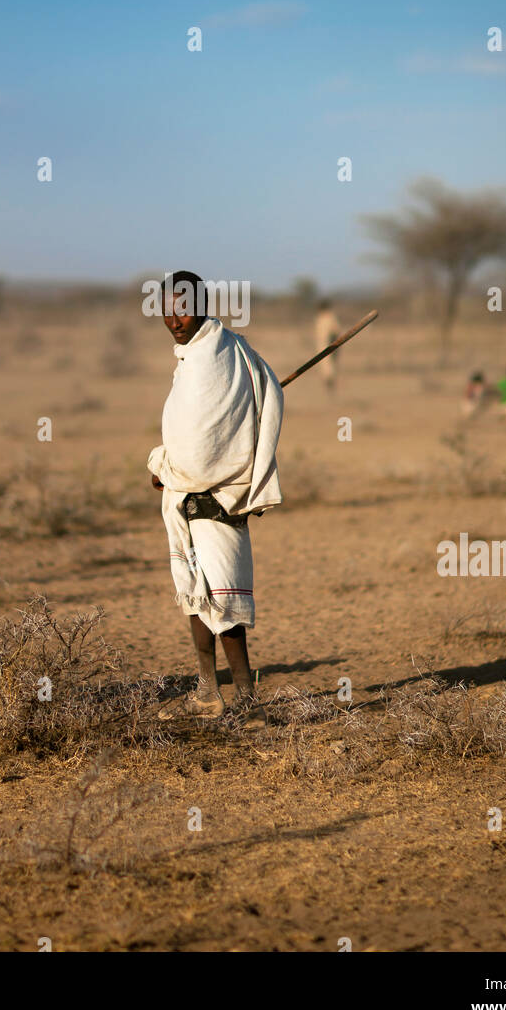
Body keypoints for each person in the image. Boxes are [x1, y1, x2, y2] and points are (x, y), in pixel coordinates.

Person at [148, 271, 283, 728]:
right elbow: (196, 433)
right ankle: (208, 692)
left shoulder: (217, 357)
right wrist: (168, 465)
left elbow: (203, 451)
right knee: (196, 598)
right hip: (188, 499)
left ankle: (249, 703)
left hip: (220, 499)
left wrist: (167, 468)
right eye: (167, 309)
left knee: (225, 605)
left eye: (182, 308)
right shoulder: (200, 355)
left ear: (201, 304)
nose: (174, 319)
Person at [314, 300, 342, 392]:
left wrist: (333, 344)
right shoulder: (320, 317)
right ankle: (328, 383)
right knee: (325, 365)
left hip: (330, 345)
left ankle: (330, 384)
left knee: (329, 366)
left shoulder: (330, 317)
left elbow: (336, 331)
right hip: (322, 345)